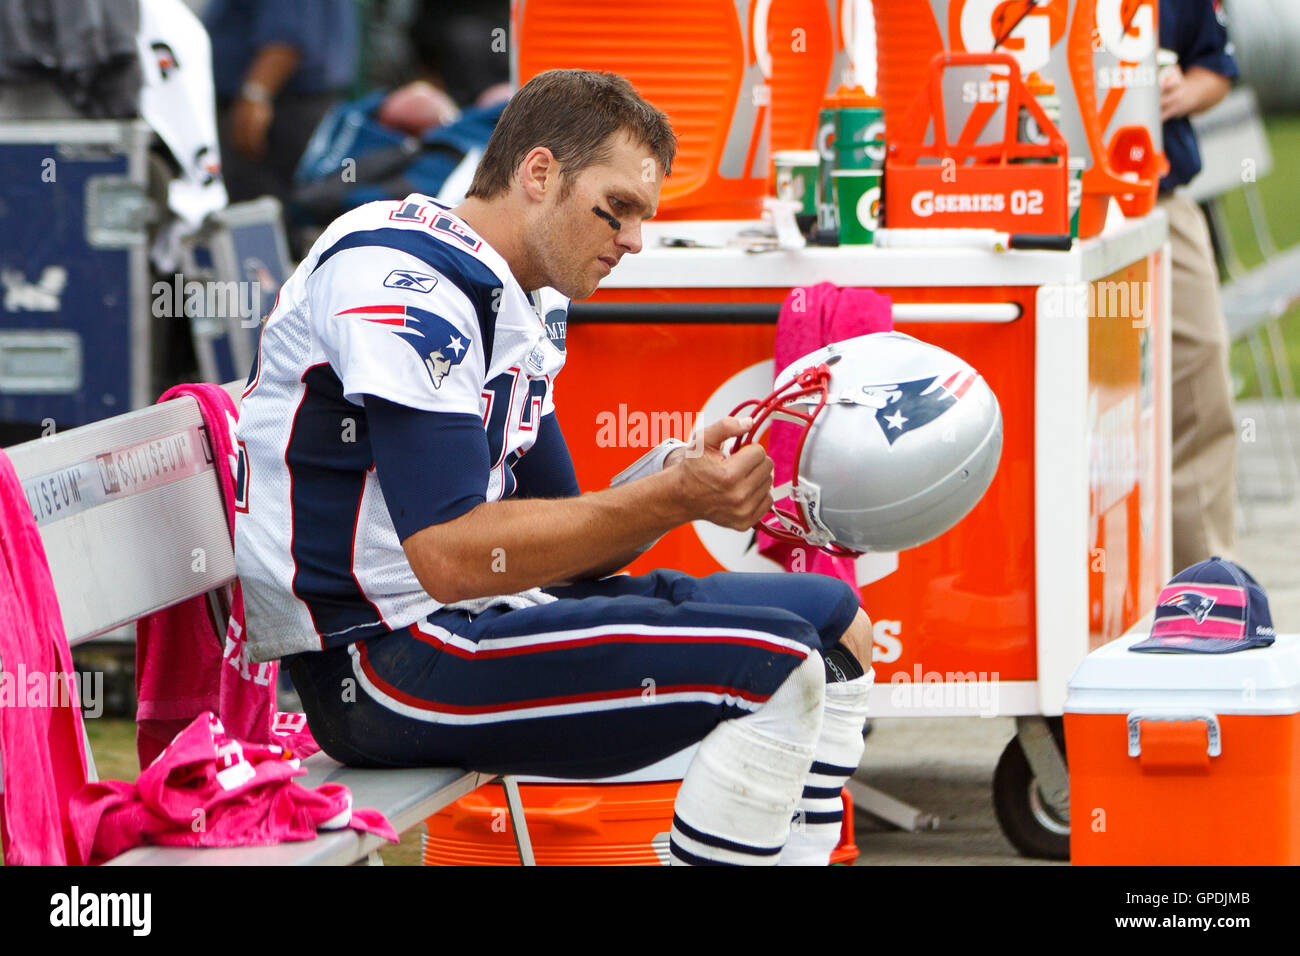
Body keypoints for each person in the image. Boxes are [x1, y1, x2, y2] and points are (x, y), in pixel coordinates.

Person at [233, 69, 876, 866]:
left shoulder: (520, 291)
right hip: (380, 664)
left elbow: (564, 537)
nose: (635, 241)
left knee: (835, 622)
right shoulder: (405, 281)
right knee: (777, 669)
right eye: (620, 208)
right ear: (539, 174)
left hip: (470, 616)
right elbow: (453, 552)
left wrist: (677, 476)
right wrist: (672, 496)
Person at [1158, 0, 1240, 572]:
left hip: (1158, 194)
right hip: (1026, 206)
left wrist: (1182, 91)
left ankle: (1209, 579)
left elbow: (1215, 67)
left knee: (1201, 363)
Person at [204, 0, 359, 211]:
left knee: (258, 213)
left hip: (280, 105)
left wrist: (255, 95)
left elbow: (286, 35)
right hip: (294, 102)